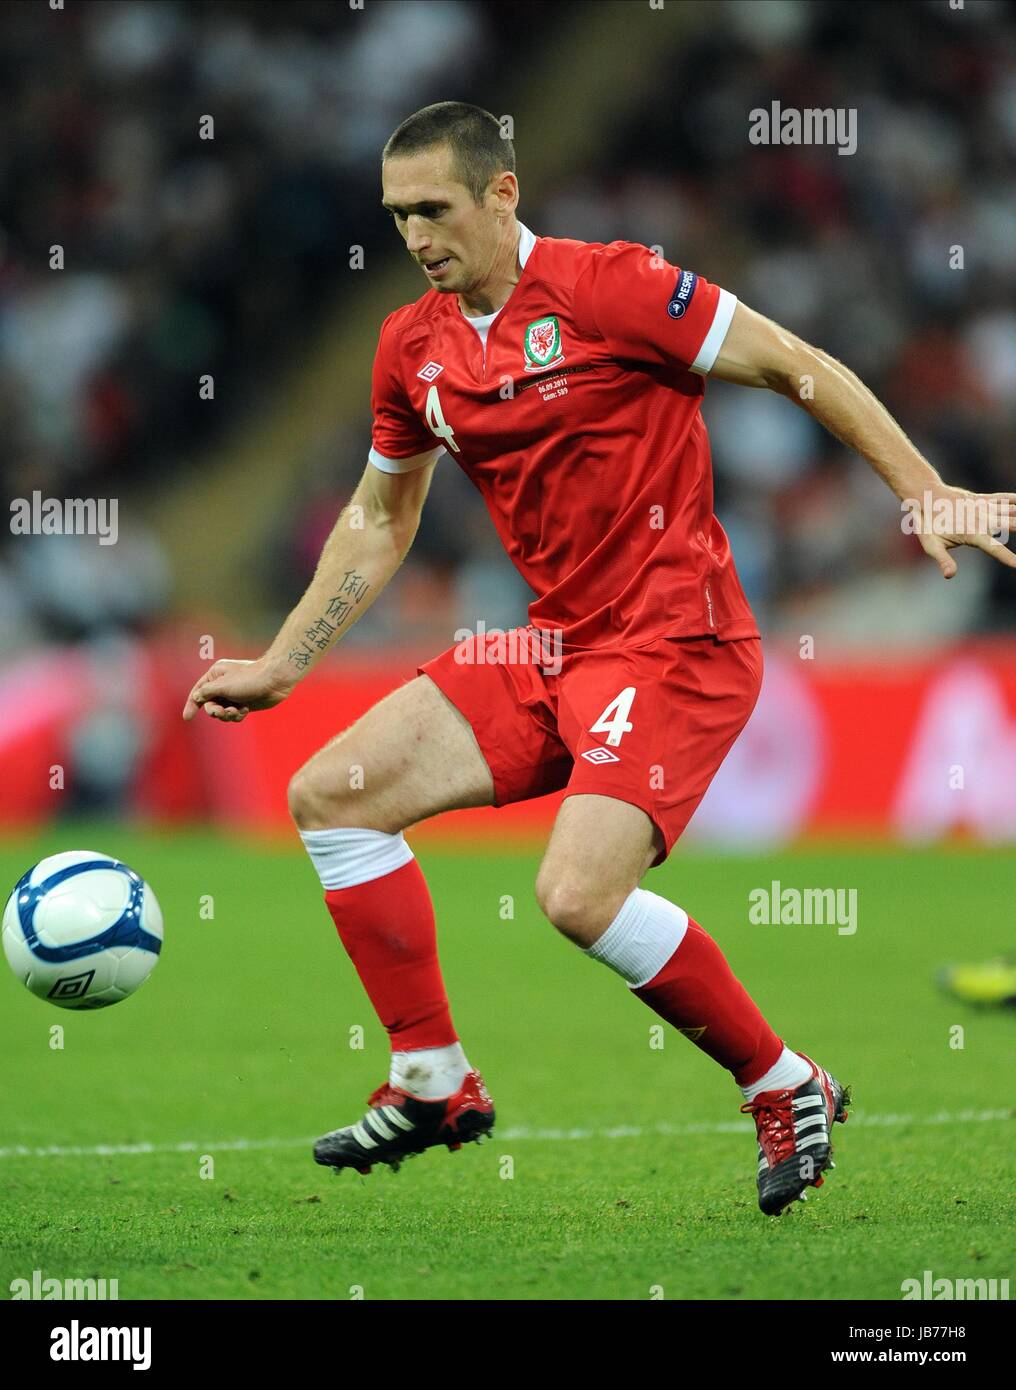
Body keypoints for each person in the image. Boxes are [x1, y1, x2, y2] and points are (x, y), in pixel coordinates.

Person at [183, 103, 1015, 1216]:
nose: (416, 235)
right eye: (396, 217)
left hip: (675, 640)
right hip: (550, 642)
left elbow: (793, 362)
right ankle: (432, 1079)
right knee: (331, 796)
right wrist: (284, 660)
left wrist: (923, 491)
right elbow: (380, 518)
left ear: (501, 194)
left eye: (434, 209)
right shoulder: (411, 347)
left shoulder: (614, 288)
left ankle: (783, 1083)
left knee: (574, 894)